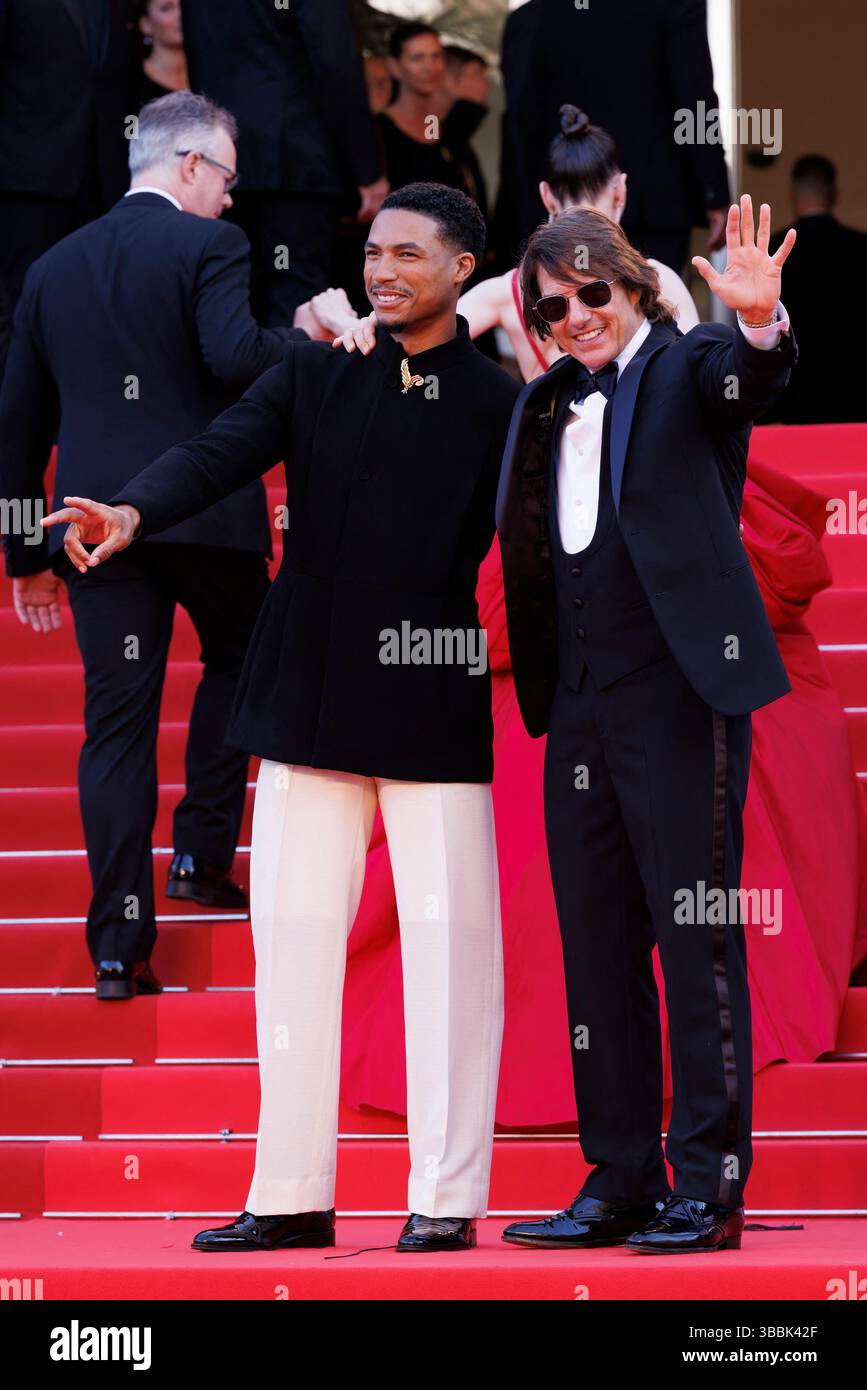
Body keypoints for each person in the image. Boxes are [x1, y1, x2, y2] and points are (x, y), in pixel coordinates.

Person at [40, 183, 521, 1254]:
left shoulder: (496, 403)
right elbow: (218, 453)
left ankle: (444, 1197)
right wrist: (129, 508)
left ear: (462, 270)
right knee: (294, 948)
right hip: (304, 691)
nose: (383, 270)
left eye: (409, 254)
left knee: (452, 955)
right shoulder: (313, 369)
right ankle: (292, 1190)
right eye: (374, 252)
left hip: (432, 699)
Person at [494, 197, 797, 1254]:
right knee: (596, 945)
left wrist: (757, 322)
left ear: (631, 287)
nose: (574, 315)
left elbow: (746, 377)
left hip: (677, 693)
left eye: (593, 293)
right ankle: (618, 1173)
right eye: (552, 304)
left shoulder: (685, 364)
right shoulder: (540, 407)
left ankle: (707, 1181)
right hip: (576, 705)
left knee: (694, 939)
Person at [0, 92, 324, 1000]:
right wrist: (303, 341)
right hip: (209, 514)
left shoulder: (53, 266)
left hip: (93, 528)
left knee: (115, 727)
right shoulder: (211, 245)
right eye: (225, 177)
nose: (231, 198)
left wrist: (26, 553)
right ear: (188, 166)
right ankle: (201, 854)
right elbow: (232, 357)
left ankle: (116, 947)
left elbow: (17, 425)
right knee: (242, 662)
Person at [336, 105, 700, 381]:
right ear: (620, 190)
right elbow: (701, 379)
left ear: (546, 196)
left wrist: (367, 324)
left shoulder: (505, 291)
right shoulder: (658, 279)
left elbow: (419, 342)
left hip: (550, 476)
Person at [179, 0, 388, 324]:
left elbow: (199, 55)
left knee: (231, 290)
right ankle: (289, 374)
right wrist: (367, 169)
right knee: (298, 295)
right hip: (296, 158)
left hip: (223, 154)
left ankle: (249, 374)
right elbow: (335, 63)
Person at [499, 0, 730, 269]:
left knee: (569, 307)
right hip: (653, 202)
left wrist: (529, 212)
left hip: (563, 201)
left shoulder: (529, 18)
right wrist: (714, 193)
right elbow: (695, 99)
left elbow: (519, 123)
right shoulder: (672, 5)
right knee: (653, 304)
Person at [0, 0, 138, 375]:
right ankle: (15, 420)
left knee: (85, 308)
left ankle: (69, 422)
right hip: (27, 178)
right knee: (21, 308)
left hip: (101, 180)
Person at [764, 155, 867, 424]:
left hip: (791, 393)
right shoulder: (860, 247)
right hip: (852, 390)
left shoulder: (775, 250)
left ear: (793, 194)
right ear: (835, 194)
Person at [377, 23, 488, 212]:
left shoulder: (435, 126)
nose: (429, 66)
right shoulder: (379, 130)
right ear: (395, 66)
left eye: (436, 56)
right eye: (417, 58)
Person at [134, 0, 188, 105]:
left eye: (184, 6)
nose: (180, 14)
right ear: (145, 24)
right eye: (166, 8)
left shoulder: (210, 76)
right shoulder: (130, 85)